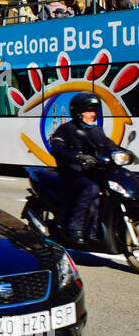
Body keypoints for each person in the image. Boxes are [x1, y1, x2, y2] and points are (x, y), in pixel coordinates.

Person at [49, 94, 118, 245]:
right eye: (89, 111)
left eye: (94, 111)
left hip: (92, 172)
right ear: (78, 112)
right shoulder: (66, 129)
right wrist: (78, 157)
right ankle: (75, 228)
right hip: (72, 174)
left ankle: (97, 230)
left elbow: (110, 145)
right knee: (92, 189)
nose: (93, 114)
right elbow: (57, 148)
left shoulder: (96, 130)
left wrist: (123, 153)